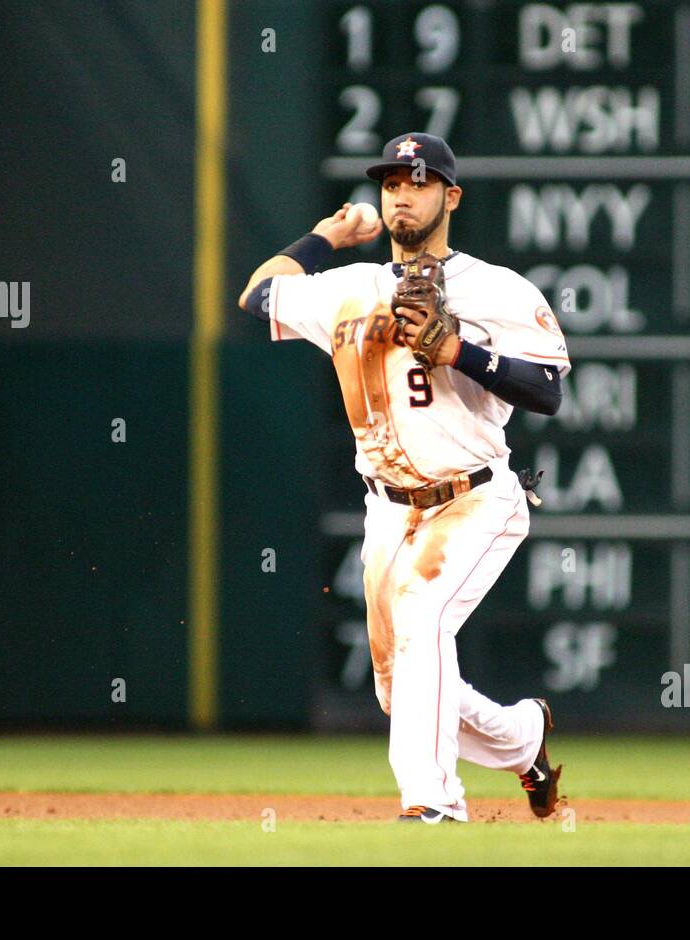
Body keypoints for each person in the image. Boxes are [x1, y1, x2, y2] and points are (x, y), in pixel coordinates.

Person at [237, 133, 570, 823]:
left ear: (450, 196)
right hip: (387, 509)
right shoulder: (350, 290)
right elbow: (258, 296)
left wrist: (459, 349)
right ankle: (521, 738)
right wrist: (325, 235)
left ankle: (434, 803)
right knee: (399, 686)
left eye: (417, 182)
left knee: (422, 619)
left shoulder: (496, 288)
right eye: (391, 183)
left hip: (475, 497)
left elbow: (546, 390)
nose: (401, 195)